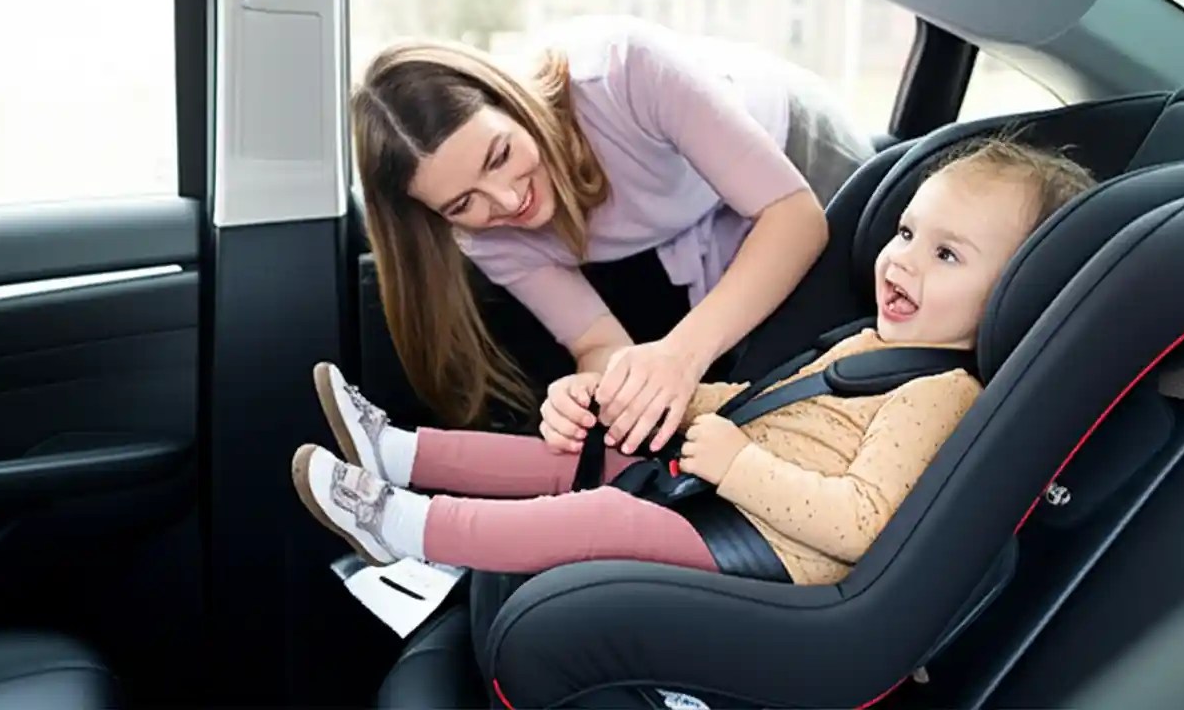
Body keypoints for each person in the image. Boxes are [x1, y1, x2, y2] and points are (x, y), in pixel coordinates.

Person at [294, 136, 1096, 585]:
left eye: (947, 255)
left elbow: (860, 523)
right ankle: (400, 452)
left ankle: (407, 526)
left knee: (605, 510)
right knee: (587, 450)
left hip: (771, 552)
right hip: (726, 494)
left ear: (1019, 289)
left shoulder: (941, 393)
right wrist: (658, 397)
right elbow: (765, 400)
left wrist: (739, 463)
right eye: (908, 234)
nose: (901, 262)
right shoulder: (874, 343)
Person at [351, 14, 875, 453]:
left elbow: (794, 218)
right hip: (697, 223)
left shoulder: (622, 71)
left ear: (508, 100)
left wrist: (680, 354)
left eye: (500, 156)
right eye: (464, 202)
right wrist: (587, 392)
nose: (507, 201)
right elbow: (598, 342)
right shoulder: (486, 237)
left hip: (798, 161)